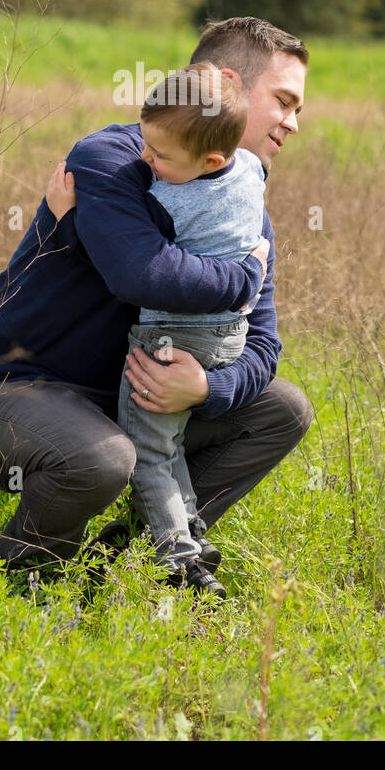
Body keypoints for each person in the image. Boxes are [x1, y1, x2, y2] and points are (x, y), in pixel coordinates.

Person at [0, 16, 313, 596]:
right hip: (15, 388)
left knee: (283, 409)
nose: (293, 123)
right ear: (223, 82)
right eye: (284, 101)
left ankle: (123, 560)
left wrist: (205, 391)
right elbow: (142, 276)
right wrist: (243, 276)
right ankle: (25, 574)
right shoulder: (112, 160)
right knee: (103, 458)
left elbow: (263, 342)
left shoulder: (241, 207)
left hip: (127, 396)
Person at [49, 61, 267, 599]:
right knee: (167, 442)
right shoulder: (251, 173)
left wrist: (72, 219)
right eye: (146, 145)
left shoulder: (164, 198)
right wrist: (249, 275)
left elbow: (136, 268)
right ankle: (190, 531)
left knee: (148, 450)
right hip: (225, 340)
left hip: (170, 339)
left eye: (160, 155)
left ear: (211, 159)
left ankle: (177, 558)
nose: (146, 160)